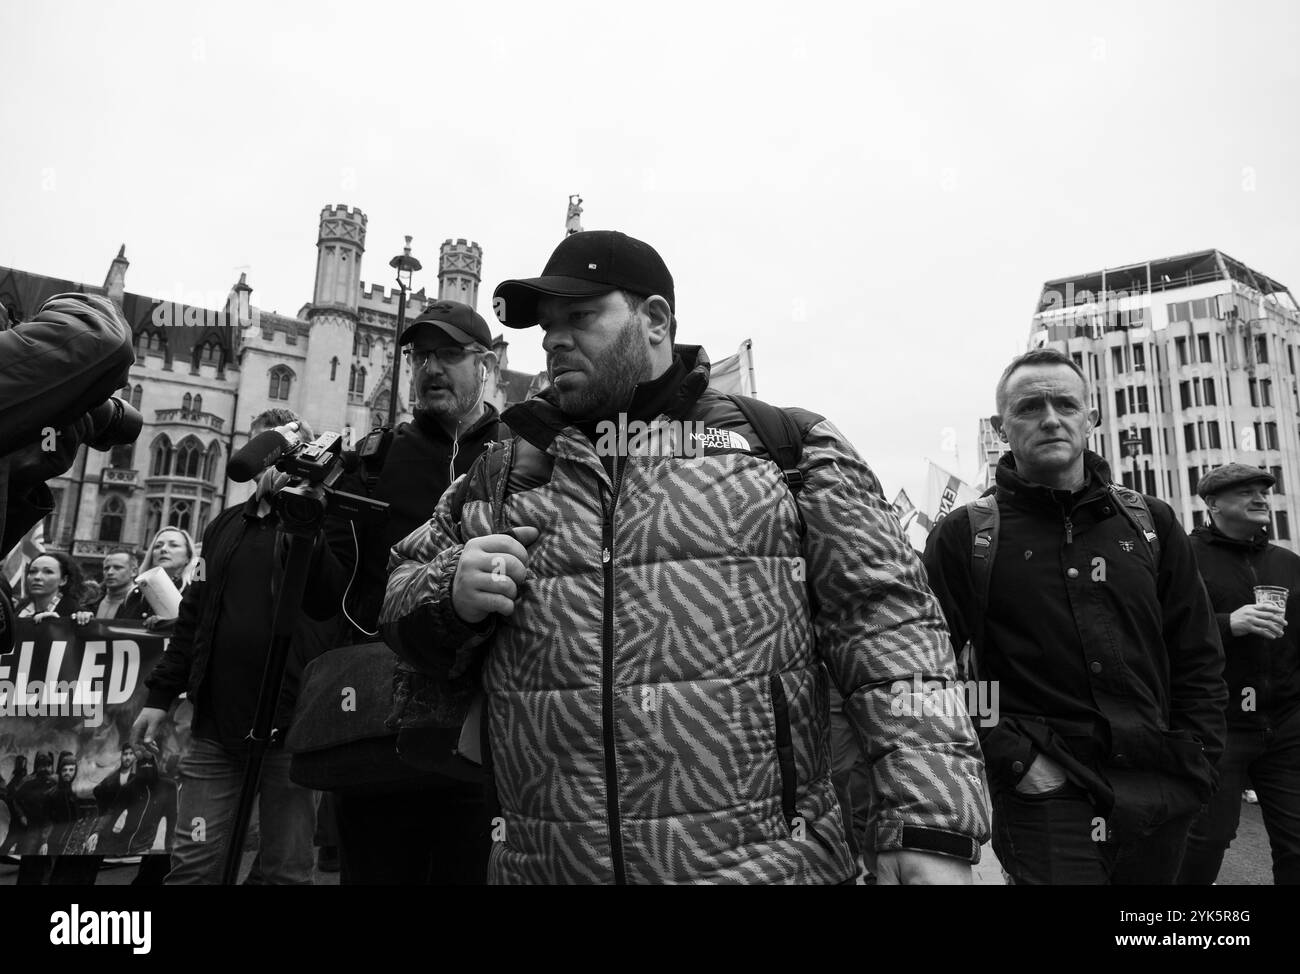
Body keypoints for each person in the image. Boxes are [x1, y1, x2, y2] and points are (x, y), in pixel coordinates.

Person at [381, 230, 990, 884]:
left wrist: (928, 823)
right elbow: (396, 599)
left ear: (656, 321)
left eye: (580, 317)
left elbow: (890, 632)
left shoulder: (784, 450)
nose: (555, 339)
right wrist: (450, 593)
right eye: (548, 328)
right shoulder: (504, 472)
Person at [921, 347, 1227, 885]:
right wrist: (1013, 755)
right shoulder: (967, 535)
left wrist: (1196, 755)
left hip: (1159, 783)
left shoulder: (1150, 522)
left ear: (1092, 416)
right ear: (1001, 426)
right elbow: (932, 671)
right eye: (1029, 407)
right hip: (1046, 796)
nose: (1050, 418)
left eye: (1065, 403)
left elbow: (1196, 652)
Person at [307, 299, 504, 885]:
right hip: (383, 732)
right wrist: (304, 532)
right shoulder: (374, 459)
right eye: (421, 355)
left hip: (485, 731)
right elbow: (328, 598)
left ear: (486, 363)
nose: (430, 368)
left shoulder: (521, 459)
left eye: (449, 353)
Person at [132, 409, 336, 885]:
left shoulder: (331, 522)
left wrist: (307, 519)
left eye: (286, 447)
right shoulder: (224, 526)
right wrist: (161, 696)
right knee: (194, 865)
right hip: (217, 727)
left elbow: (329, 602)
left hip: (293, 728)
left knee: (284, 869)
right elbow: (195, 616)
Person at [1177, 464, 1300, 885]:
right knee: (1207, 838)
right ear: (1213, 504)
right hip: (1217, 724)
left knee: (1296, 841)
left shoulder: (1287, 563)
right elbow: (1160, 631)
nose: (1260, 498)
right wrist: (1229, 623)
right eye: (1245, 491)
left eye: (1264, 491)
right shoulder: (1184, 559)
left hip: (1285, 725)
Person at [136, 527, 200, 632]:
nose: (163, 549)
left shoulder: (197, 591)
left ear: (188, 556)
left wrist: (169, 623)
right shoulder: (135, 594)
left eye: (174, 545)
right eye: (157, 546)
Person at [14, 551, 83, 620]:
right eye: (32, 572)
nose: (37, 577)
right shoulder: (18, 609)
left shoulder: (78, 615)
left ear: (63, 580)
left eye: (48, 572)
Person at [89, 547, 147, 622]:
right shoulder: (90, 603)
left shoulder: (144, 603)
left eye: (117, 568)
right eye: (106, 568)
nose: (110, 572)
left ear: (134, 571)